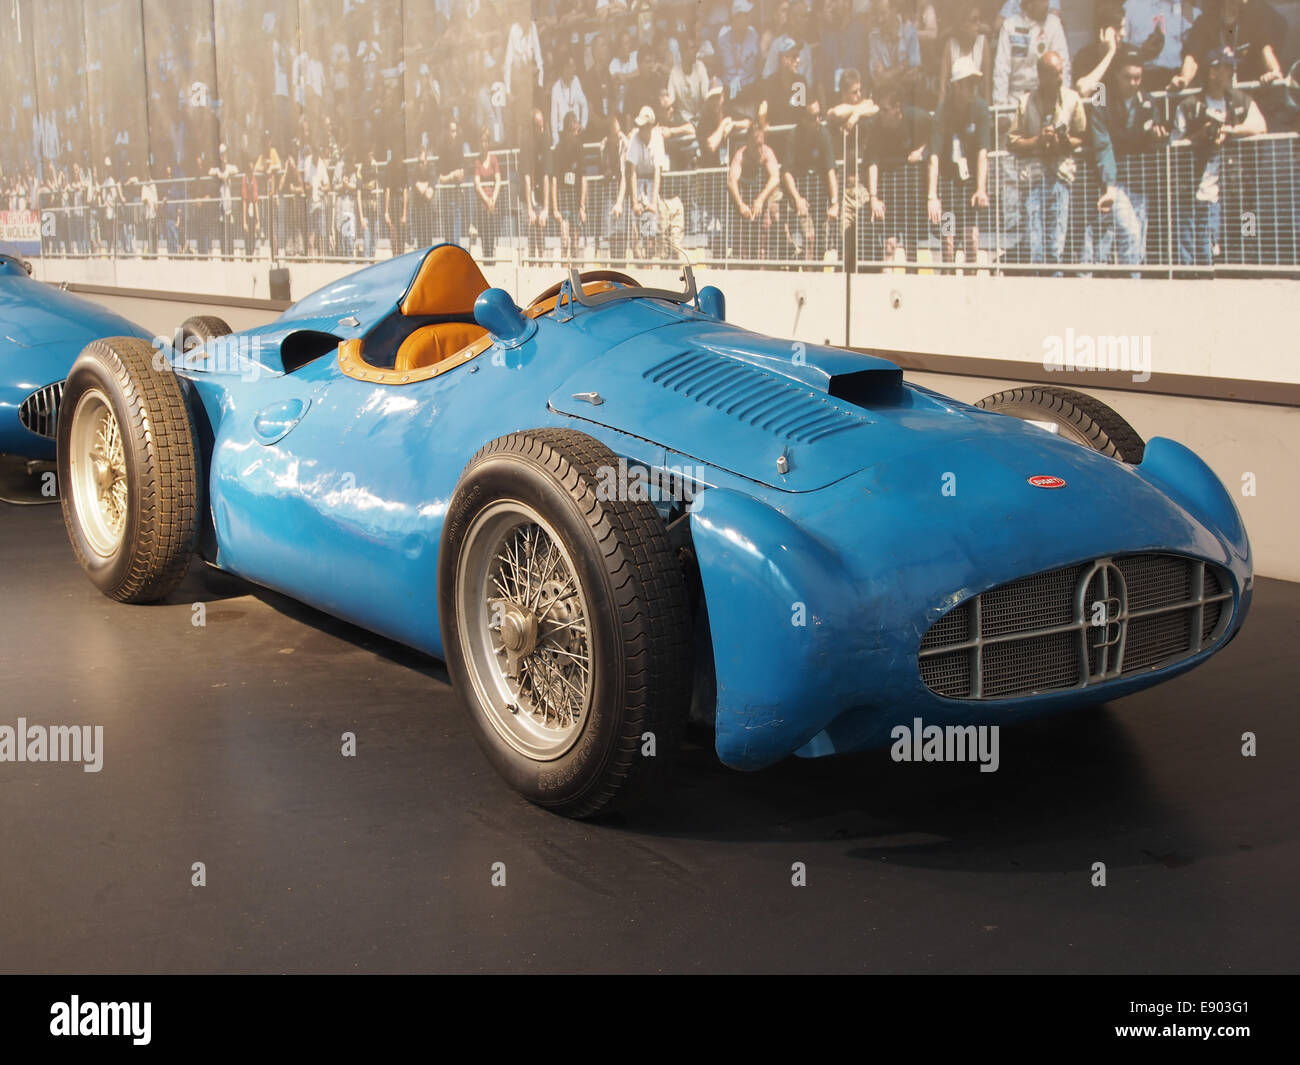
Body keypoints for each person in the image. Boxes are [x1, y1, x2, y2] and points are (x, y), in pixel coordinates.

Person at [1174, 45, 1266, 266]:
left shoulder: (1240, 100)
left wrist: (1229, 131)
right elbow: (1174, 145)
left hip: (1233, 193)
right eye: (1227, 67)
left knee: (1237, 244)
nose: (1232, 72)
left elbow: (1261, 126)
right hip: (1194, 192)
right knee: (1194, 254)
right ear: (1212, 72)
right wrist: (1200, 136)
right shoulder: (1189, 105)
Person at [1086, 45, 1170, 273]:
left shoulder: (1148, 101)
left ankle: (1132, 285)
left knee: (1138, 243)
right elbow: (1103, 144)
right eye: (1128, 77)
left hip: (1140, 183)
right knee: (1130, 232)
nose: (1133, 83)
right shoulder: (1102, 97)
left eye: (1138, 78)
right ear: (1116, 75)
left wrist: (1157, 135)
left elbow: (1153, 136)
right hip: (1113, 183)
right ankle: (1127, 285)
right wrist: (1110, 185)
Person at [1008, 50, 1086, 272]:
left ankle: (1055, 284)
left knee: (1055, 245)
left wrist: (1065, 140)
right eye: (1054, 73)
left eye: (1061, 72)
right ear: (1041, 76)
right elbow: (1011, 142)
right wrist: (1037, 141)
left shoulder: (1073, 99)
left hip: (1061, 178)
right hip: (1033, 179)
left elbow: (1082, 136)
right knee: (1034, 246)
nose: (1060, 78)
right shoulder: (1025, 102)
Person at [927, 56, 992, 264]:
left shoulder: (980, 108)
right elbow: (934, 156)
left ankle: (971, 280)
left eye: (975, 83)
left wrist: (981, 189)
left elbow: (983, 152)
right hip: (948, 186)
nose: (973, 88)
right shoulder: (942, 113)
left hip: (971, 184)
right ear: (956, 86)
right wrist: (933, 196)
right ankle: (947, 277)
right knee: (948, 242)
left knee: (971, 240)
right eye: (968, 83)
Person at [866, 88, 933, 261]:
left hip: (913, 191)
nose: (881, 114)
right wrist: (874, 197)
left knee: (913, 248)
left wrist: (921, 151)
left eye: (885, 110)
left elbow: (937, 132)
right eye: (880, 110)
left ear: (897, 108)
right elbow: (873, 163)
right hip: (889, 190)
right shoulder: (876, 127)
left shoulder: (916, 117)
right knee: (889, 246)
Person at [781, 92, 840, 261]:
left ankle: (816, 271)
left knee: (821, 242)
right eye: (813, 117)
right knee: (809, 238)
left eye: (819, 115)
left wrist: (834, 203)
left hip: (820, 193)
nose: (818, 120)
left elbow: (830, 170)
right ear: (803, 119)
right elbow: (786, 172)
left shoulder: (823, 134)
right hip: (800, 191)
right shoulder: (793, 135)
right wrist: (797, 199)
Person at [993, 0, 1070, 106]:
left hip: (1046, 100)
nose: (1047, 5)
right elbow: (1001, 70)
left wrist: (1063, 103)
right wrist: (1000, 107)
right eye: (1042, 1)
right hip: (1015, 100)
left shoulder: (1054, 25)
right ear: (1029, 5)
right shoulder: (1009, 26)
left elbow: (1063, 67)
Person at [727, 122, 781, 261]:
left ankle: (767, 259)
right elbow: (732, 180)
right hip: (746, 194)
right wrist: (740, 204)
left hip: (765, 193)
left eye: (760, 145)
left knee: (767, 225)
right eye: (755, 145)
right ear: (748, 142)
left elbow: (775, 178)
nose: (758, 149)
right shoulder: (740, 155)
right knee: (743, 234)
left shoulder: (767, 153)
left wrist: (761, 199)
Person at [938, 3, 993, 109]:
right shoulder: (950, 45)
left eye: (979, 19)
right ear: (962, 24)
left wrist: (988, 112)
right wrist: (939, 113)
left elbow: (987, 85)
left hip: (976, 106)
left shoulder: (983, 43)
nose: (978, 23)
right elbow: (942, 89)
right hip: (955, 106)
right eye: (974, 20)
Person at [551, 112, 588, 261]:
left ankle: (575, 267)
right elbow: (554, 178)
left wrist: (582, 206)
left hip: (575, 196)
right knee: (565, 239)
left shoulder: (579, 147)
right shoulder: (559, 148)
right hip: (564, 195)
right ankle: (563, 266)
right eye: (574, 124)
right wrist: (555, 208)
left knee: (575, 240)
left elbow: (583, 176)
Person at [522, 108, 551, 261]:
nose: (541, 129)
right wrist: (529, 209)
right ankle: (532, 261)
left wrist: (546, 208)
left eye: (542, 125)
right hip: (529, 191)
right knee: (531, 230)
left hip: (541, 192)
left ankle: (543, 261)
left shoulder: (545, 138)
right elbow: (526, 175)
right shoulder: (527, 142)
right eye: (538, 126)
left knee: (541, 230)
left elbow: (546, 174)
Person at [718, 0, 762, 98]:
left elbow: (759, 63)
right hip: (728, 90)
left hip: (749, 89)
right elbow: (718, 66)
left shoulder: (754, 36)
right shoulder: (723, 39)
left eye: (749, 15)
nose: (748, 19)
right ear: (735, 18)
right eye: (745, 16)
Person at [472, 126, 502, 261]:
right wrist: (486, 200)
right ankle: (486, 260)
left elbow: (498, 180)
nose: (483, 144)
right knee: (484, 236)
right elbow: (477, 183)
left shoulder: (494, 159)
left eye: (486, 141)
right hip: (482, 204)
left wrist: (493, 199)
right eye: (481, 141)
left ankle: (492, 261)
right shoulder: (477, 161)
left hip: (492, 204)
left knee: (492, 234)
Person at [550, 52, 588, 147]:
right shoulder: (556, 89)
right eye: (571, 66)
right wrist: (556, 141)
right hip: (563, 134)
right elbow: (554, 118)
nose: (574, 69)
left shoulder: (576, 81)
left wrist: (583, 124)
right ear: (564, 69)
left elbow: (584, 104)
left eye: (574, 66)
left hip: (576, 132)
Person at [383, 147, 408, 257]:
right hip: (393, 203)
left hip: (401, 202)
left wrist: (404, 214)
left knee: (402, 233)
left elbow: (405, 191)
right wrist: (386, 212)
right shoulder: (389, 167)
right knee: (393, 232)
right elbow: (387, 190)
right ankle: (395, 255)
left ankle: (401, 255)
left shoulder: (404, 167)